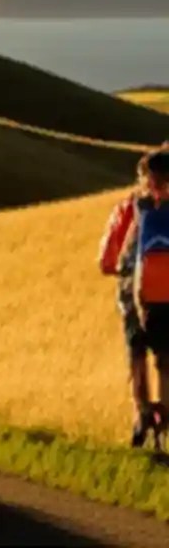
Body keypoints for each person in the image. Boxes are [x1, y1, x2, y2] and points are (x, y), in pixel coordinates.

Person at [102, 147, 169, 447]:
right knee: (166, 359)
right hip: (166, 295)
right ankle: (165, 415)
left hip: (133, 293)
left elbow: (106, 260)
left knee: (136, 351)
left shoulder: (130, 207)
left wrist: (120, 268)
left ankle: (142, 411)